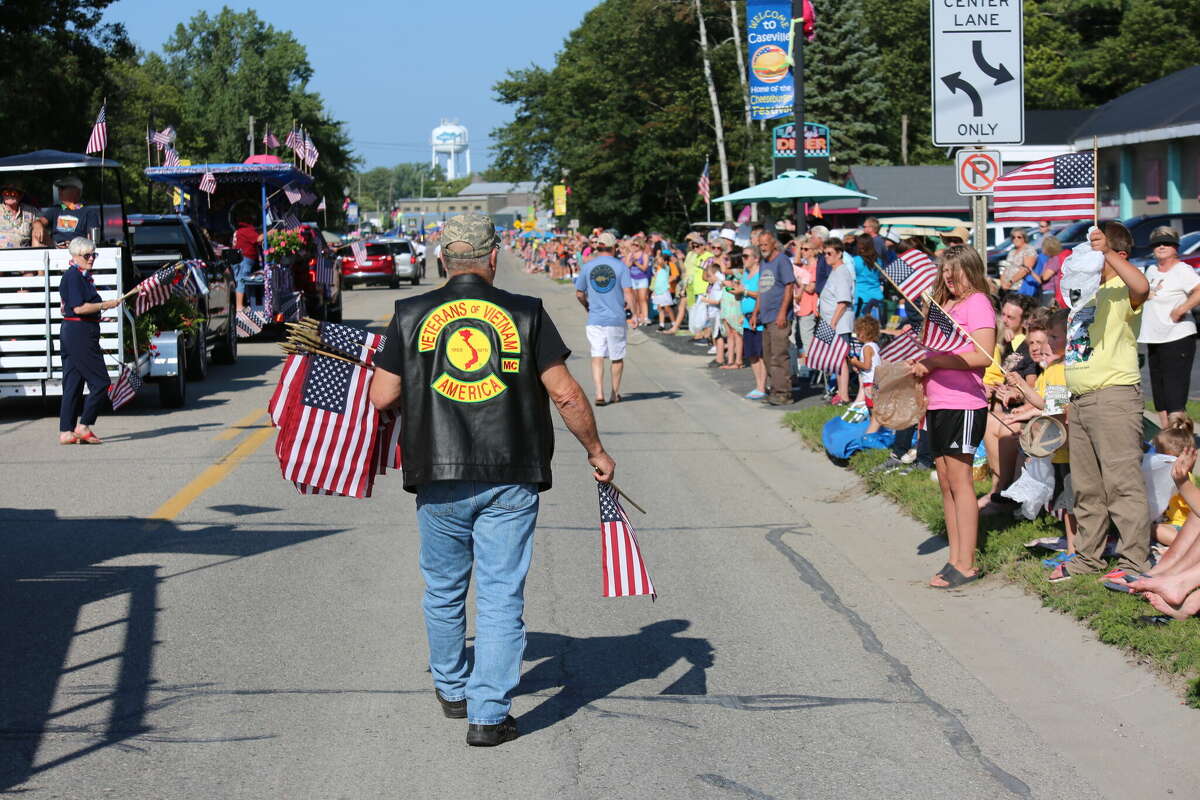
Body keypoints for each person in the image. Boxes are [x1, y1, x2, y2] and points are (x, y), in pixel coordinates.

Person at [368, 214, 616, 747]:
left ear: (442, 260)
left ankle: (453, 689)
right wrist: (595, 450)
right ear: (493, 258)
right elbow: (568, 394)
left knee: (443, 589)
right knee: (501, 595)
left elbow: (382, 397)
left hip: (437, 472)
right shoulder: (525, 313)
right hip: (511, 473)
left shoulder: (409, 315)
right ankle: (487, 714)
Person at [1050, 222, 1151, 583]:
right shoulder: (1086, 294)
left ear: (1119, 254)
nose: (1090, 255)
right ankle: (1087, 558)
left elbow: (1143, 286)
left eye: (1101, 251)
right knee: (1087, 488)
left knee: (1122, 484)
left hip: (1113, 397)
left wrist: (1106, 251)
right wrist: (1058, 401)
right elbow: (1066, 354)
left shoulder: (1123, 288)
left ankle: (1135, 562)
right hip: (1079, 400)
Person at [907, 245, 996, 589]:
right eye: (944, 271)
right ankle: (954, 557)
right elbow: (935, 350)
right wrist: (921, 366)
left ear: (969, 270)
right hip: (938, 402)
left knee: (961, 482)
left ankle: (967, 563)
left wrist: (936, 362)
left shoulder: (978, 303)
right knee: (945, 481)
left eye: (954, 271)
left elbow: (983, 356)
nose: (948, 277)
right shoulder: (944, 305)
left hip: (964, 403)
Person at [57, 237, 122, 444]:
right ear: (75, 257)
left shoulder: (82, 277)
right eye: (87, 255)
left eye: (94, 254)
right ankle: (83, 425)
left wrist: (103, 310)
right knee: (101, 382)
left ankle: (66, 431)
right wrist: (105, 305)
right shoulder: (74, 276)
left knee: (73, 383)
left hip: (75, 330)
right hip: (79, 332)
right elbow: (79, 308)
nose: (92, 258)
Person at [1138, 226, 1200, 428]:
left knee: (1174, 393)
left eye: (1166, 242)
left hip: (1177, 338)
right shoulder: (1151, 270)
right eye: (1157, 244)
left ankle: (1180, 440)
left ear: (1176, 247)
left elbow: (1198, 291)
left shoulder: (1182, 270)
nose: (1161, 246)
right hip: (1154, 339)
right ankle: (1166, 439)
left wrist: (1182, 308)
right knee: (1160, 396)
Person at [574, 231, 634, 405]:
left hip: (595, 318)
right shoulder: (621, 266)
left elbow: (579, 293)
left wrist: (586, 305)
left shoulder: (588, 266)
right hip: (616, 317)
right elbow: (629, 292)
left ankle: (599, 393)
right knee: (617, 356)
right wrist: (635, 314)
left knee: (597, 355)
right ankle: (614, 393)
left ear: (598, 247)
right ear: (614, 247)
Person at [755, 230, 795, 405]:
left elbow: (789, 287)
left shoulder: (782, 260)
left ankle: (783, 393)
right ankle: (774, 389)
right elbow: (761, 289)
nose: (762, 247)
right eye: (760, 244)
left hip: (779, 315)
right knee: (768, 354)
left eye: (765, 244)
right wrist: (756, 312)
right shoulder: (764, 263)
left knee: (779, 355)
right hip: (766, 316)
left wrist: (782, 312)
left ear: (774, 244)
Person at [818, 240, 855, 404]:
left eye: (830, 253)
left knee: (840, 359)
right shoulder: (835, 271)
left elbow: (843, 301)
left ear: (839, 253)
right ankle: (840, 393)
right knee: (836, 360)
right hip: (830, 321)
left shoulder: (841, 272)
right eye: (824, 253)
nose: (826, 256)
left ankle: (844, 396)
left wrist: (832, 323)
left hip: (838, 324)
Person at [738, 244, 768, 400]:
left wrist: (743, 291)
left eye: (746, 256)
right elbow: (742, 295)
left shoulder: (762, 274)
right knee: (751, 354)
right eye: (742, 256)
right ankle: (758, 385)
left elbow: (762, 294)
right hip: (746, 318)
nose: (743, 259)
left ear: (756, 258)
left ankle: (762, 386)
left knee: (761, 353)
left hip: (759, 318)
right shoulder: (745, 274)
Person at [40, 176, 100, 247]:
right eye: (59, 189)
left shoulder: (89, 212)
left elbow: (92, 240)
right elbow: (40, 221)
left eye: (63, 188)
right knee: (36, 231)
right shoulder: (55, 209)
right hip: (55, 250)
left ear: (76, 191)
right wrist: (37, 225)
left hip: (78, 251)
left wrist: (72, 246)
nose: (59, 191)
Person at [848, 315, 881, 433]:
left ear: (865, 332)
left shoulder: (867, 347)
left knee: (872, 408)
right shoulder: (875, 346)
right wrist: (859, 366)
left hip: (870, 382)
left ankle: (873, 431)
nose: (857, 335)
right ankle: (876, 428)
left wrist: (856, 362)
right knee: (875, 406)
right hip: (877, 380)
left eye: (858, 332)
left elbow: (867, 366)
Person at [792, 240, 818, 374]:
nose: (803, 252)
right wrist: (798, 247)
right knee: (798, 338)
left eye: (806, 249)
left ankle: (811, 366)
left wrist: (797, 279)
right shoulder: (805, 266)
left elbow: (810, 288)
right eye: (802, 249)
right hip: (799, 305)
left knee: (807, 338)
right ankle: (800, 367)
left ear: (814, 251)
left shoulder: (815, 267)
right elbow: (796, 263)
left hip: (808, 305)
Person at [0, 180, 46, 248]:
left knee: (41, 234)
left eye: (13, 193)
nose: (9, 195)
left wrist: (38, 224)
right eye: (5, 193)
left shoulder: (30, 210)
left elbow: (45, 219)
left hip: (25, 254)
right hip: (2, 255)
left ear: (21, 195)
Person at [232, 211, 262, 312]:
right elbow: (258, 239)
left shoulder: (239, 231)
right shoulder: (246, 230)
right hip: (245, 259)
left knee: (245, 281)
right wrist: (269, 233)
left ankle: (247, 303)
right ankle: (239, 306)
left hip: (241, 259)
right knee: (242, 280)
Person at [852, 232, 885, 320]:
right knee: (875, 329)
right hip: (877, 297)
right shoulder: (878, 260)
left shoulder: (855, 261)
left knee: (861, 329)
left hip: (861, 299)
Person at [998, 227, 1038, 292]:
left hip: (1020, 288)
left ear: (1024, 238)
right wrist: (1003, 282)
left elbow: (1026, 270)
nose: (1016, 239)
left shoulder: (1029, 250)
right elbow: (1006, 268)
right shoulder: (1012, 252)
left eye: (1019, 237)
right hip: (1007, 286)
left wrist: (1010, 282)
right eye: (1013, 237)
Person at [650, 251, 676, 331]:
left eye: (661, 259)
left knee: (667, 307)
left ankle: (673, 323)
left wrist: (659, 257)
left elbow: (662, 264)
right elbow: (656, 280)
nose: (659, 261)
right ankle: (662, 325)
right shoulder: (657, 269)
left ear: (665, 261)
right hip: (658, 291)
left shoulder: (666, 267)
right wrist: (654, 290)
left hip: (664, 290)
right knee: (660, 308)